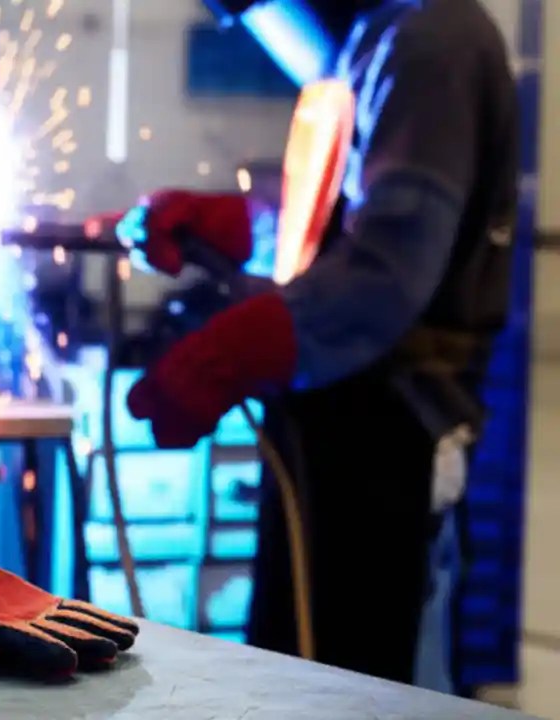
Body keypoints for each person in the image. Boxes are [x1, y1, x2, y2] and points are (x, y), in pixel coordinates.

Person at [111, 0, 518, 685]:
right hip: (335, 438)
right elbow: (345, 221)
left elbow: (388, 272)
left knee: (368, 688)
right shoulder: (379, 40)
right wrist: (239, 224)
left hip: (394, 443)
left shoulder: (433, 45)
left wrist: (234, 352)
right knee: (299, 677)